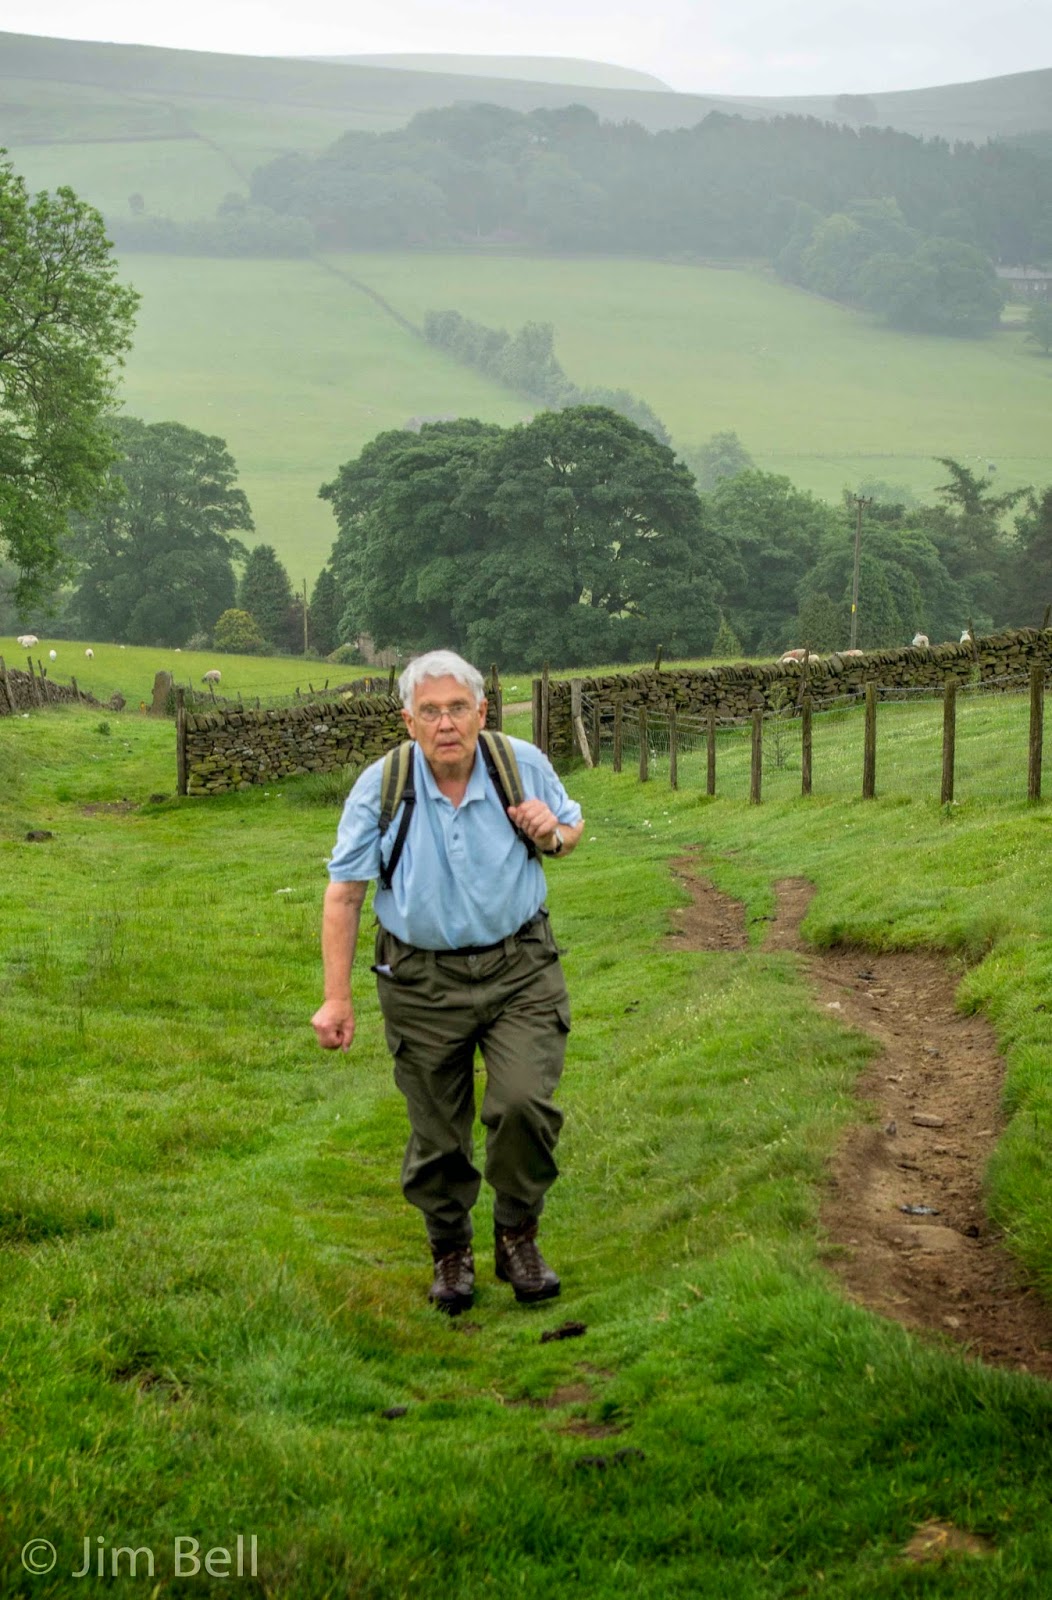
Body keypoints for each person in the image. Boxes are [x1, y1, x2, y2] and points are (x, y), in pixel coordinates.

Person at [312, 650, 584, 1315]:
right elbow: (344, 895)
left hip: (521, 969)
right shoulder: (381, 787)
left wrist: (556, 833)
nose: (445, 724)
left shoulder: (519, 765)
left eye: (458, 708)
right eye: (430, 711)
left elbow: (569, 828)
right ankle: (450, 1250)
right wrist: (337, 996)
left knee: (523, 1105)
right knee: (438, 1134)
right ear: (408, 721)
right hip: (419, 982)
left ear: (481, 712)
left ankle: (518, 1235)